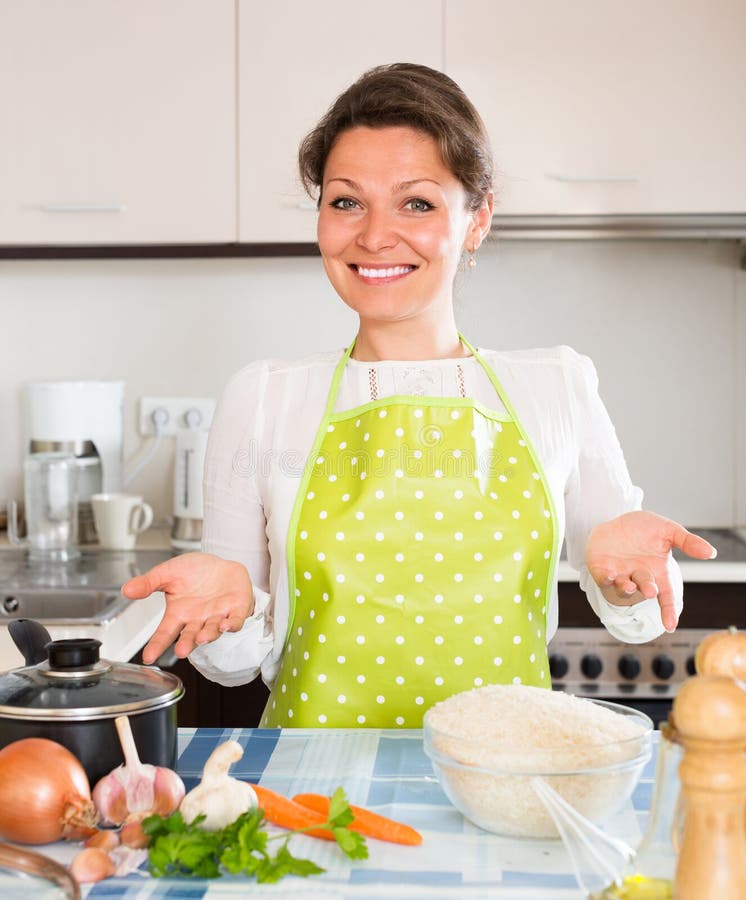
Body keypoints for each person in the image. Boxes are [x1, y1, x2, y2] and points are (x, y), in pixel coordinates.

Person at [123, 63, 716, 728]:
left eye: (418, 203)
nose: (375, 236)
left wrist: (622, 584)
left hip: (507, 785)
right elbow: (232, 665)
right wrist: (227, 614)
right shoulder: (263, 397)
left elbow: (635, 625)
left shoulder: (556, 385)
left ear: (477, 220)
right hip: (316, 795)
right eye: (346, 201)